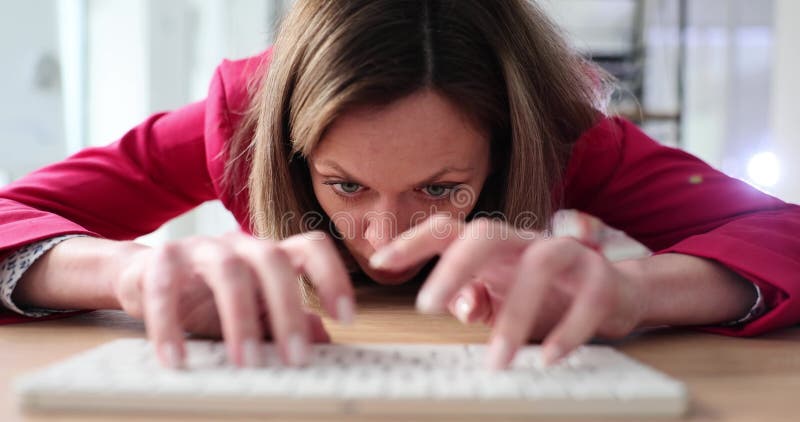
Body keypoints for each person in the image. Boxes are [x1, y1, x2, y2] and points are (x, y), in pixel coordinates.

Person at [1, 0, 798, 371]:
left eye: (442, 188)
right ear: (292, 144)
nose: (385, 240)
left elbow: (783, 232)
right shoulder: (240, 115)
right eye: (345, 186)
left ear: (507, 141)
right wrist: (129, 274)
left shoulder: (560, 134)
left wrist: (637, 294)